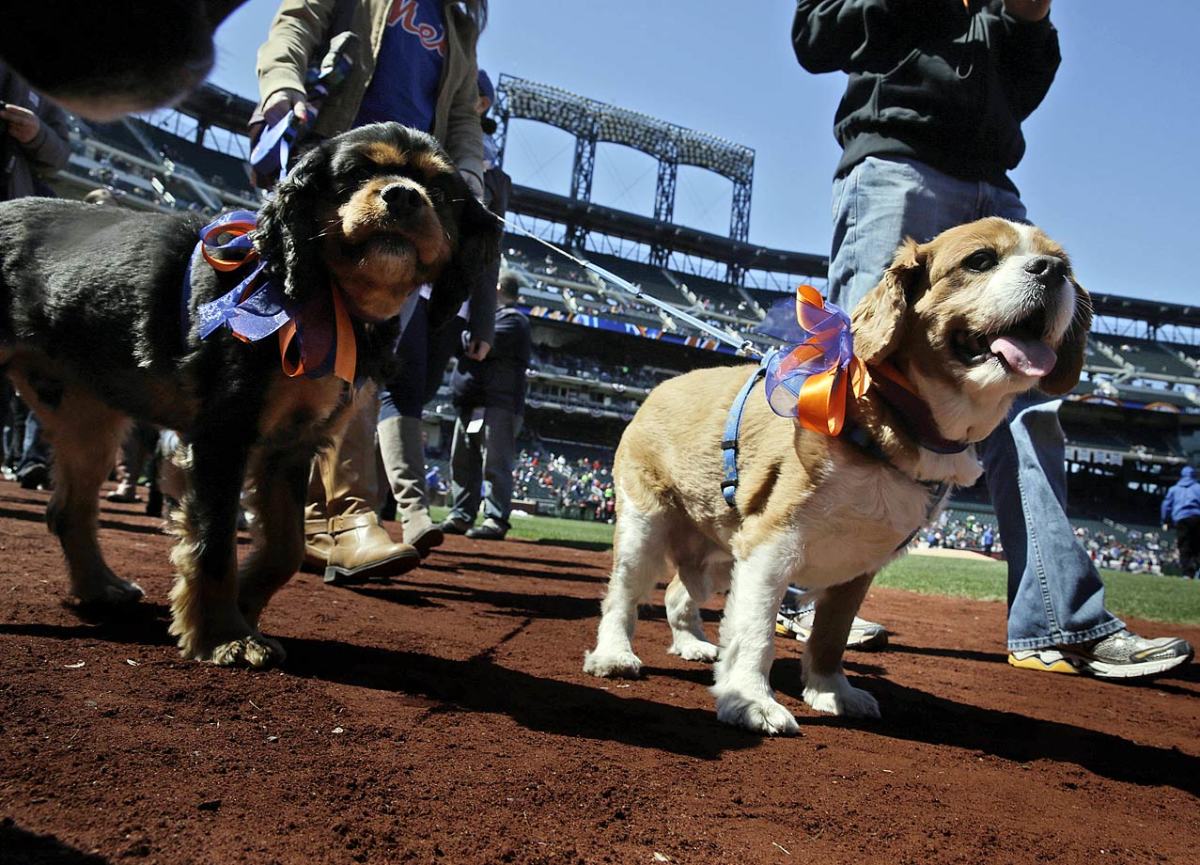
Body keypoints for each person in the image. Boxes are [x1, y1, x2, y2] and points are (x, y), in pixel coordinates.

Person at [790, 0, 1192, 678]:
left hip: (995, 187)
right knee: (861, 370)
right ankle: (801, 588)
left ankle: (1055, 619)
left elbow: (1022, 92)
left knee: (1029, 390)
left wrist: (1030, 23)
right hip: (896, 161)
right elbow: (815, 33)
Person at [253, 0, 494, 583]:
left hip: (411, 203)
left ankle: (343, 516)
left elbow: (461, 116)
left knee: (359, 356)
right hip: (333, 178)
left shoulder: (458, 24)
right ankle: (300, 513)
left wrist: (469, 178)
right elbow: (295, 24)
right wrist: (281, 86)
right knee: (285, 350)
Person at [1, 60, 71, 492]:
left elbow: (60, 154)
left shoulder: (46, 78)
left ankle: (26, 460)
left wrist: (36, 134)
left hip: (9, 233)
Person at [441, 272, 531, 540]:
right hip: (472, 404)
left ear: (499, 287)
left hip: (498, 404)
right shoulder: (486, 319)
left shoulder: (514, 320)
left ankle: (495, 518)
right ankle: (461, 515)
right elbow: (456, 342)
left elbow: (473, 345)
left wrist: (465, 332)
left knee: (495, 463)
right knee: (464, 461)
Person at [1162, 466, 1200, 579]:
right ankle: (1197, 567)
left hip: (1181, 519)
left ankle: (1187, 574)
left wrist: (1165, 521)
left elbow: (1165, 506)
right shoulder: (1198, 488)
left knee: (1184, 546)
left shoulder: (1174, 489)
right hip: (1197, 518)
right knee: (1198, 545)